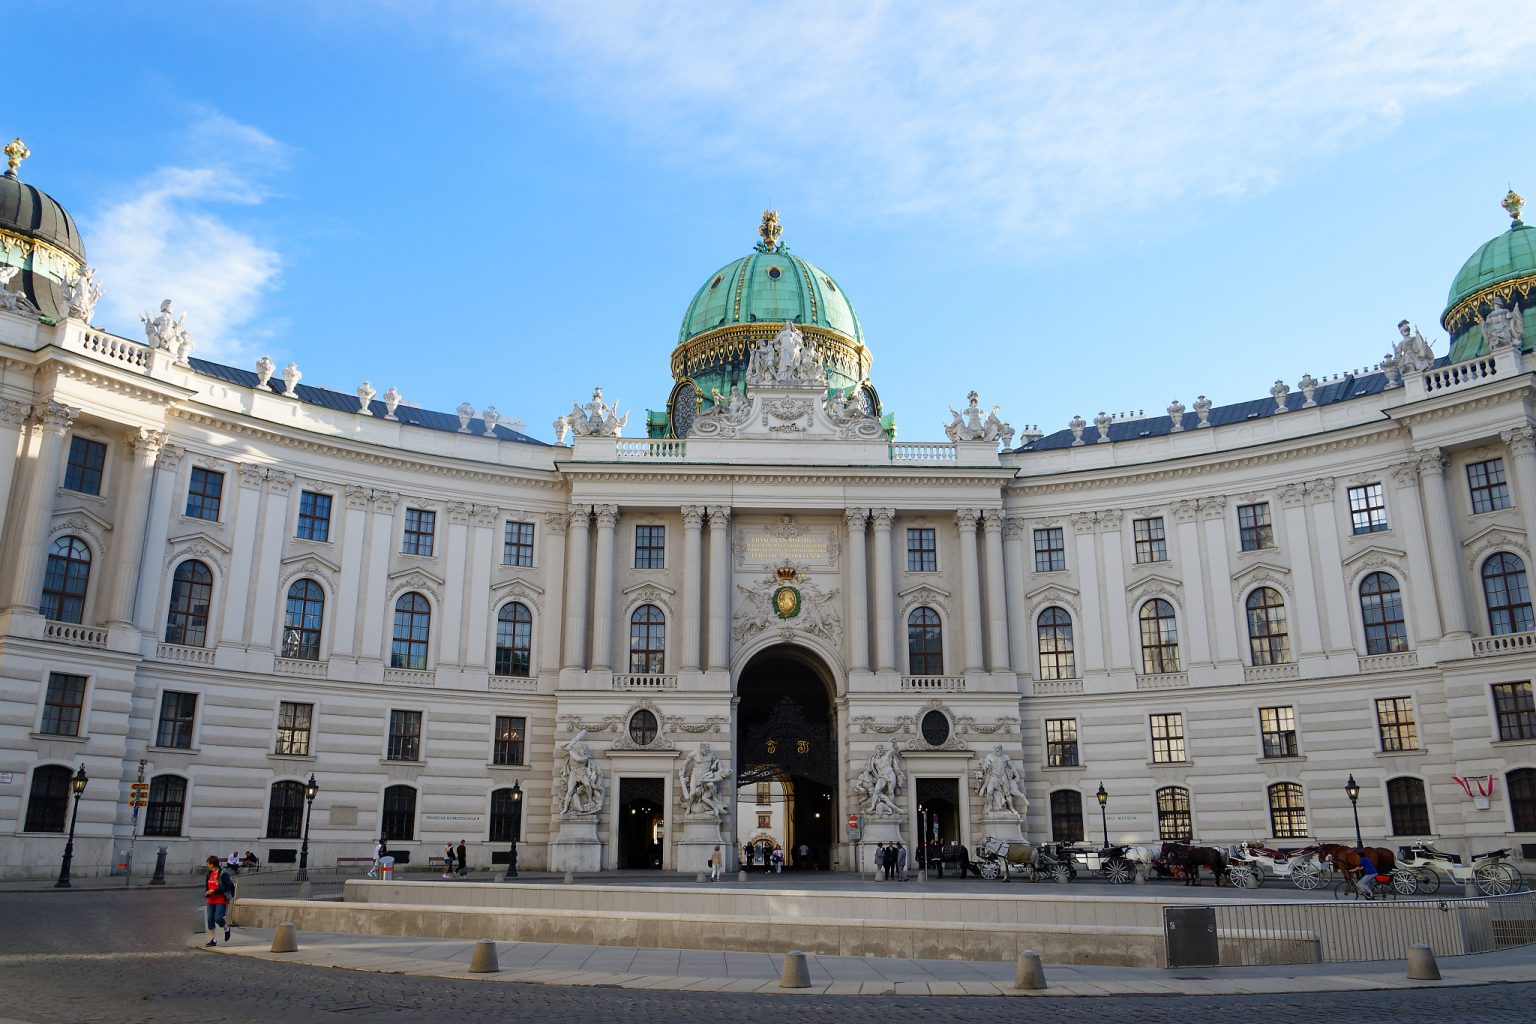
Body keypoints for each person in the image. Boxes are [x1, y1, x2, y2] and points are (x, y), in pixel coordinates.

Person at [203, 855, 234, 946]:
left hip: (221, 898)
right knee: (210, 919)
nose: (207, 865)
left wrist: (214, 891)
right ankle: (213, 940)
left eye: (208, 864)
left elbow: (227, 886)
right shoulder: (209, 873)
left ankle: (226, 929)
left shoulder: (223, 873)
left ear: (212, 864)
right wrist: (207, 892)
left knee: (218, 918)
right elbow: (207, 885)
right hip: (211, 899)